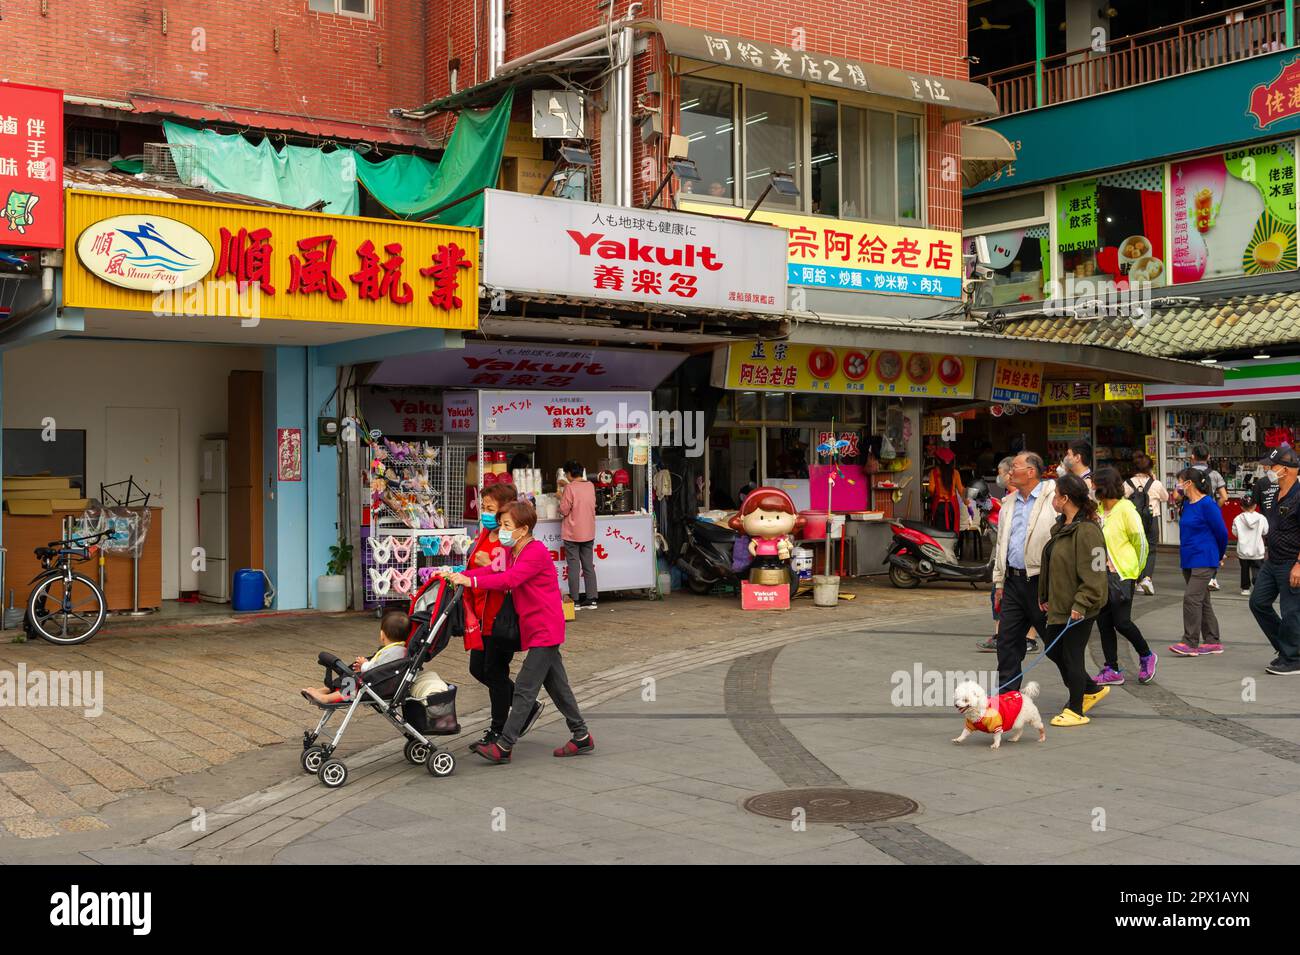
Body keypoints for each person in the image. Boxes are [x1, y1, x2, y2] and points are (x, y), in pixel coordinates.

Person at [450, 501, 594, 763]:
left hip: (545, 629)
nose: (501, 530)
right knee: (558, 687)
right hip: (536, 628)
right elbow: (494, 570)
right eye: (501, 524)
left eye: (507, 525)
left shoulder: (534, 551)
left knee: (525, 689)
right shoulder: (515, 551)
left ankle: (504, 745)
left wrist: (469, 580)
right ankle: (581, 735)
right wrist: (462, 574)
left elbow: (509, 580)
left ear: (523, 529)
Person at [464, 483, 544, 747]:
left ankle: (498, 730)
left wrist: (489, 568)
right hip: (480, 614)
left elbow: (508, 577)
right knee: (478, 669)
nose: (485, 513)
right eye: (483, 507)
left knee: (495, 672)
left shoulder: (513, 542)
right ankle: (526, 706)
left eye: (490, 509)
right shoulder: (485, 534)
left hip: (501, 617)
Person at [1037, 472, 1110, 726]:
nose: (1053, 500)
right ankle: (1091, 688)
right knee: (1053, 649)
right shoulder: (1062, 528)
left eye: (1056, 495)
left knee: (1072, 655)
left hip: (1081, 607)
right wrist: (1045, 596)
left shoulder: (1089, 531)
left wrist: (1082, 603)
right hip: (1060, 605)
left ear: (1065, 498)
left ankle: (1076, 709)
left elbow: (1097, 573)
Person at [988, 452, 1057, 682]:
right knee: (1006, 642)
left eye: (1014, 467)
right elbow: (1001, 545)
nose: (1009, 472)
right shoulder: (1008, 502)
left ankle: (1085, 688)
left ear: (1030, 472)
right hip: (1013, 582)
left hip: (1041, 582)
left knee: (1055, 644)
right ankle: (1007, 696)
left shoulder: (1052, 498)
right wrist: (999, 582)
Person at [1092, 467, 1157, 686]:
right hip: (1100, 573)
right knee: (1103, 623)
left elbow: (1141, 542)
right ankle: (1112, 668)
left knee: (1122, 622)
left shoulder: (1126, 509)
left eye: (1094, 484)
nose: (1091, 488)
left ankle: (1146, 654)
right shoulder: (1098, 510)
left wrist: (1137, 572)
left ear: (1103, 486)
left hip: (1122, 573)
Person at [1249, 447, 1300, 675]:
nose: (1268, 470)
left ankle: (1293, 659)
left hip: (1292, 562)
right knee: (1258, 602)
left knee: (1291, 612)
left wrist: (1299, 564)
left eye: (1273, 466)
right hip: (1273, 560)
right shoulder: (1271, 492)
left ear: (1286, 469)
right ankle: (1288, 648)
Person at [1170, 467, 1228, 657]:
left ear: (1189, 483)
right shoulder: (1187, 504)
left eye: (1180, 482)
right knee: (1202, 599)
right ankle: (1212, 640)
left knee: (1191, 598)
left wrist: (1219, 555)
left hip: (1205, 556)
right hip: (1189, 557)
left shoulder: (1208, 504)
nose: (1178, 486)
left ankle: (1190, 642)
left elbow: (1221, 532)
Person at [301, 610, 409, 705]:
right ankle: (327, 689)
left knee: (352, 679)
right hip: (378, 680)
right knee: (349, 672)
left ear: (382, 634)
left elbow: (380, 670)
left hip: (377, 684)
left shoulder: (392, 652)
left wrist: (364, 665)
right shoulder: (398, 650)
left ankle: (327, 698)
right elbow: (382, 667)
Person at [1186, 444, 1228, 590]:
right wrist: (1215, 509)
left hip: (1191, 514)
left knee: (1191, 543)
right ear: (1209, 457)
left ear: (1192, 457)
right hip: (1209, 513)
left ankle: (1194, 575)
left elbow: (1176, 496)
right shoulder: (1215, 474)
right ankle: (1211, 577)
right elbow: (1224, 496)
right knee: (1210, 543)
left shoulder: (1186, 474)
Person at [1124, 452, 1167, 595]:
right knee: (1151, 549)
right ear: (1150, 468)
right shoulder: (1156, 484)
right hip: (1152, 519)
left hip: (1133, 520)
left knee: (1135, 548)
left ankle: (1137, 580)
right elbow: (1165, 497)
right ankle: (1147, 579)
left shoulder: (1127, 484)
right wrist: (1154, 480)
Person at [559, 460, 599, 610]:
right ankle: (592, 599)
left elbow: (564, 510)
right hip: (589, 531)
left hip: (572, 533)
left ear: (569, 473)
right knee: (588, 565)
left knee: (574, 566)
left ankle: (575, 601)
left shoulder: (569, 488)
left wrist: (560, 495)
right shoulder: (590, 485)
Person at [1233, 492, 1268, 596]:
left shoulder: (1237, 519)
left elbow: (1235, 533)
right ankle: (1258, 587)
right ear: (1255, 505)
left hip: (1243, 551)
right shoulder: (1261, 518)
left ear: (1241, 507)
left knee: (1244, 570)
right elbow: (1265, 531)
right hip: (1257, 550)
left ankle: (1245, 589)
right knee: (1258, 569)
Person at [927, 446, 965, 533]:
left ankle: (941, 546)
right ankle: (951, 546)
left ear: (939, 460)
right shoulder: (955, 473)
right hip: (952, 506)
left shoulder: (934, 472)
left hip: (939, 506)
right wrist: (968, 502)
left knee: (940, 532)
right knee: (952, 531)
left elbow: (931, 489)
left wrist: (935, 495)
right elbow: (961, 490)